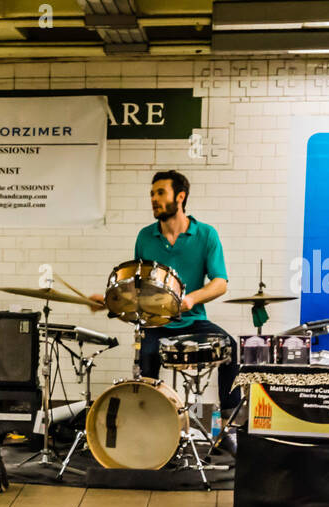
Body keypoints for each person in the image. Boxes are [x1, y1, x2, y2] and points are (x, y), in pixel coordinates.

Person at [99, 170, 239, 411]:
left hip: (193, 321)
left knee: (231, 347)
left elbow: (220, 283)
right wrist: (112, 300)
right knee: (146, 358)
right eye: (152, 193)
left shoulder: (206, 234)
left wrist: (191, 299)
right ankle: (148, 424)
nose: (154, 198)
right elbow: (137, 288)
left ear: (180, 196)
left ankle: (228, 425)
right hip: (155, 323)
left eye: (161, 192)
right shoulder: (145, 236)